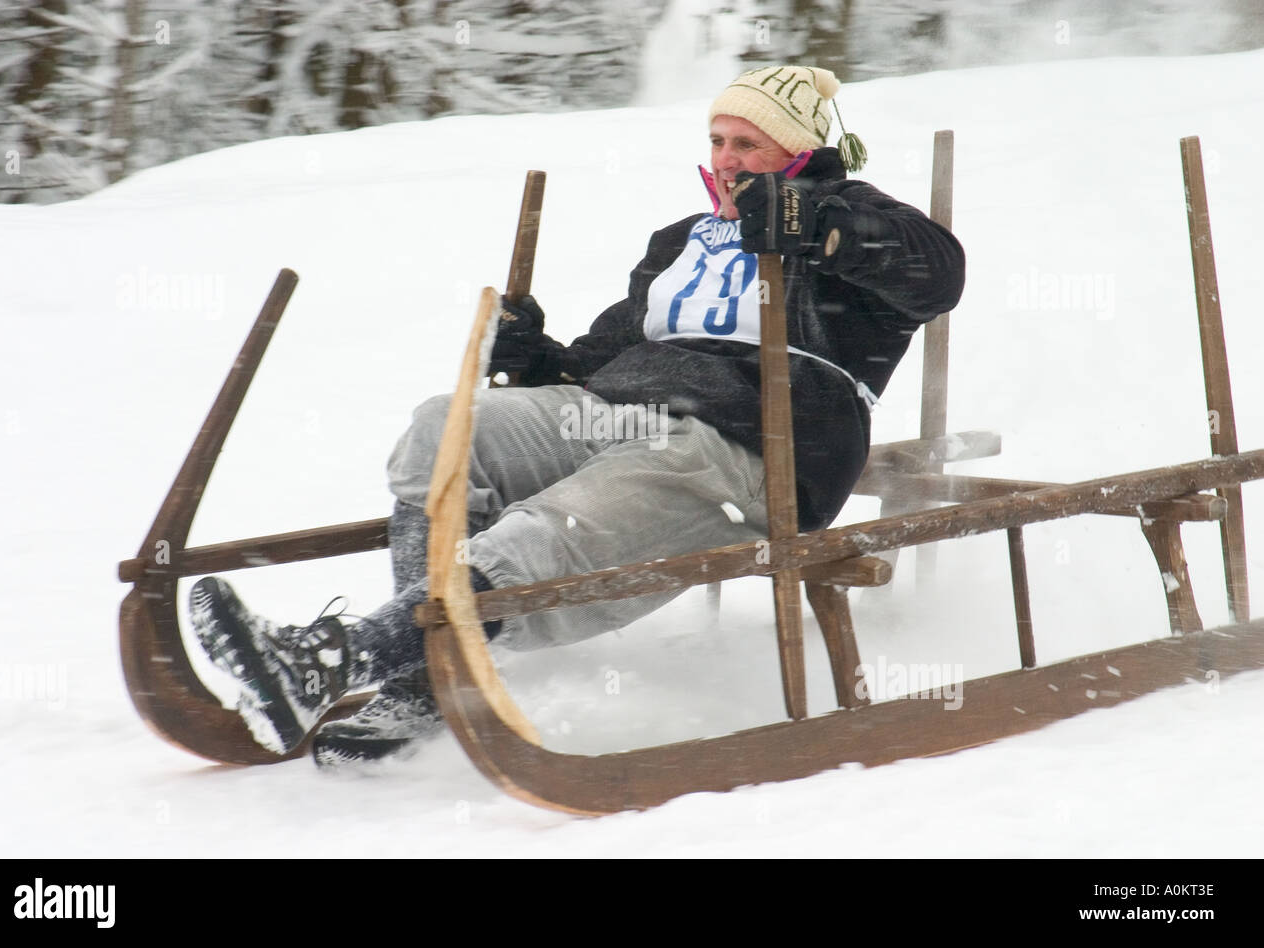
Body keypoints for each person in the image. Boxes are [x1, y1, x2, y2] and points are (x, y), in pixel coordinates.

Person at [189, 65, 966, 767]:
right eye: (718, 140)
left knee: (545, 532)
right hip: (618, 410)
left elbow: (939, 274)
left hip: (754, 442)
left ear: (797, 154)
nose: (725, 158)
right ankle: (425, 678)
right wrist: (538, 358)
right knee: (445, 427)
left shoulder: (851, 225)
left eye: (748, 144)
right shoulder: (681, 239)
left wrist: (810, 220)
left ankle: (339, 660)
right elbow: (605, 358)